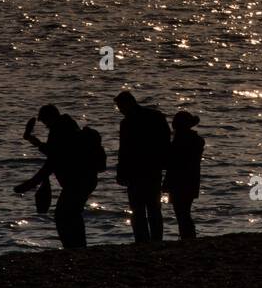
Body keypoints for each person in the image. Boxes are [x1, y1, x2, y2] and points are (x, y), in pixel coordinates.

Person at [14, 105, 104, 248]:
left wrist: (30, 184)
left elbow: (52, 161)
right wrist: (32, 140)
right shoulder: (68, 126)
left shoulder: (58, 130)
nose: (45, 125)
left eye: (44, 121)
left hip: (77, 181)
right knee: (73, 214)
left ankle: (72, 247)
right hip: (86, 178)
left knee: (63, 216)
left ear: (49, 118)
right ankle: (79, 246)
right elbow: (54, 153)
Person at [114, 91, 171, 242]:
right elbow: (166, 141)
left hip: (136, 170)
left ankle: (142, 240)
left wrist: (121, 171)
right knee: (153, 208)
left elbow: (124, 149)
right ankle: (156, 239)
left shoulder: (127, 123)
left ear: (128, 104)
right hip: (153, 168)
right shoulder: (155, 116)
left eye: (120, 106)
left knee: (138, 208)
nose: (120, 110)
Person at [164, 110, 205, 239]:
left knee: (181, 212)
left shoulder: (180, 141)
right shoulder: (195, 140)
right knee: (184, 211)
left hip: (179, 181)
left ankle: (187, 236)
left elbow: (172, 163)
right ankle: (188, 236)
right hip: (191, 180)